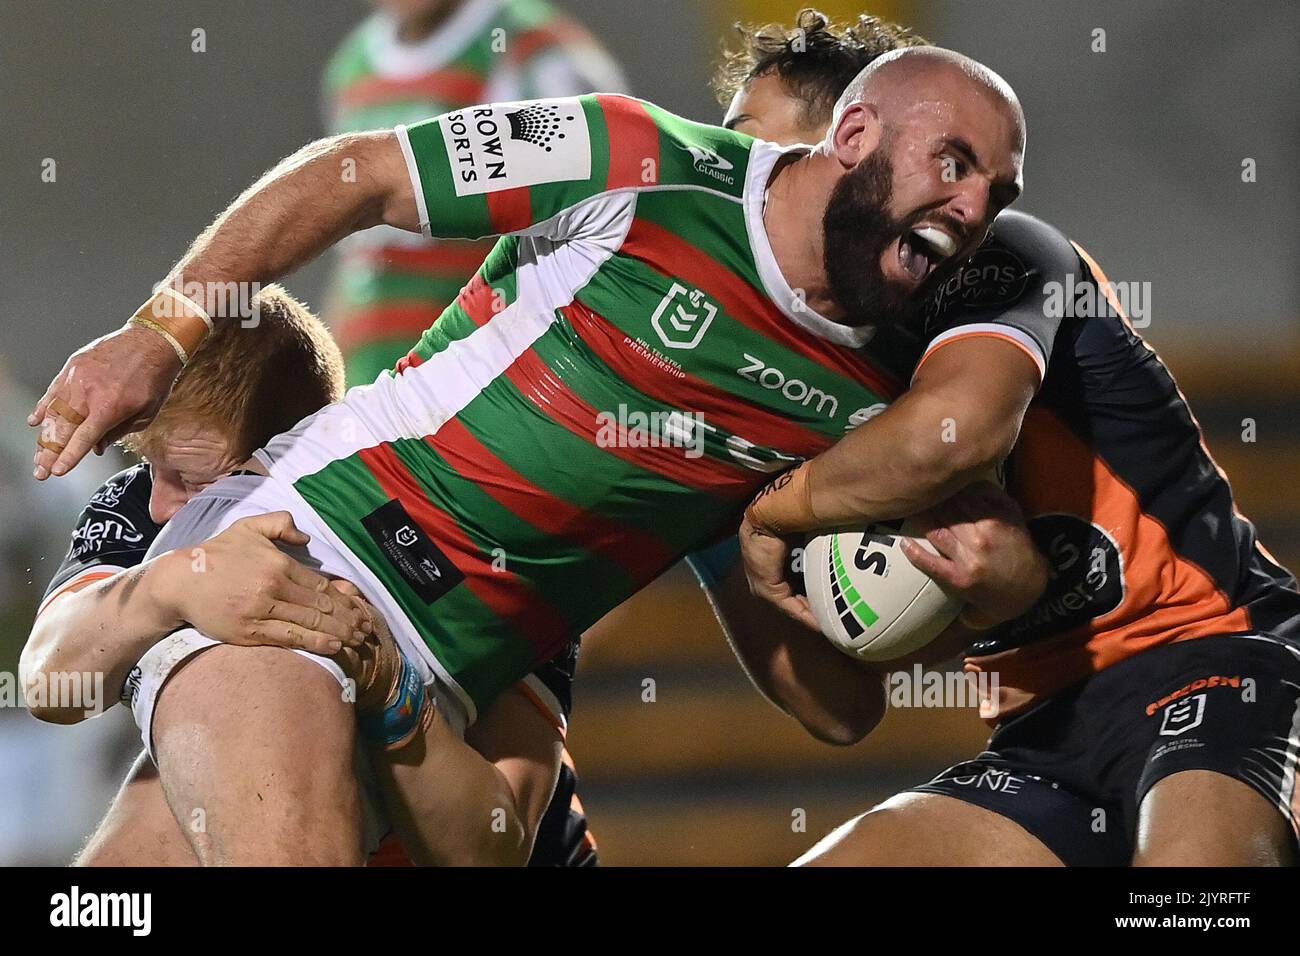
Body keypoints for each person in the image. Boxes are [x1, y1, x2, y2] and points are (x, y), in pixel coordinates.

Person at [29, 47, 1034, 862]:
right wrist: (159, 335)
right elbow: (365, 171)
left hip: (439, 690)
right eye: (952, 161)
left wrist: (956, 583)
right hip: (310, 548)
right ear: (851, 134)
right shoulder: (633, 153)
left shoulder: (873, 410)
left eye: (997, 188)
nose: (975, 204)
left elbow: (839, 704)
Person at [704, 8, 1300, 867]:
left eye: (757, 150)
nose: (734, 180)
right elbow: (840, 708)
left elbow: (952, 440)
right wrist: (706, 517)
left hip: (1211, 662)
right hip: (1039, 732)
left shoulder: (1002, 262)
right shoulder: (780, 381)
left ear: (855, 142)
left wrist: (767, 512)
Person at [22, 286, 595, 865]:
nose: (164, 509)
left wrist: (393, 694)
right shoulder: (140, 502)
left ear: (295, 456)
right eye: (153, 465)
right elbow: (50, 681)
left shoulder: (483, 542)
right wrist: (174, 583)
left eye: (196, 482)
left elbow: (493, 848)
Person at [323, 0, 627, 384]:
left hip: (485, 377)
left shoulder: (530, 51)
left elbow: (593, 220)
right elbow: (360, 256)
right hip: (374, 377)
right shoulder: (352, 69)